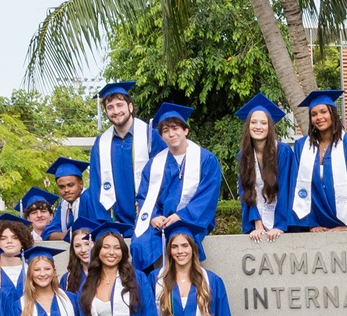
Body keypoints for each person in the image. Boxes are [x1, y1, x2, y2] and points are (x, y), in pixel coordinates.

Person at [132, 102, 222, 270]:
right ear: (161, 136)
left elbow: (207, 195)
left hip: (192, 220)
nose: (171, 134)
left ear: (185, 130)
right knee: (140, 244)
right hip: (160, 221)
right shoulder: (154, 164)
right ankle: (150, 287)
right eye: (165, 131)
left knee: (181, 239)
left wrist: (181, 216)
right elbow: (144, 196)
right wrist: (153, 216)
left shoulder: (206, 160)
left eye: (175, 128)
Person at [284, 89, 347, 236]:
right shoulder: (302, 146)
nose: (319, 117)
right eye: (314, 114)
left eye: (323, 112)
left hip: (345, 221)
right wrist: (310, 224)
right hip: (316, 224)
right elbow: (298, 186)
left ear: (333, 114)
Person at [86, 81, 165, 225]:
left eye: (119, 105)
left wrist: (156, 214)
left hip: (150, 218)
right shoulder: (101, 144)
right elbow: (96, 184)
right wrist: (105, 221)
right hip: (115, 222)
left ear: (130, 106)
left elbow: (164, 178)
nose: (115, 111)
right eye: (110, 107)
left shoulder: (151, 137)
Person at [235, 94, 291, 241]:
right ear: (248, 126)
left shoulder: (283, 152)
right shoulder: (243, 155)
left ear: (270, 127)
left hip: (284, 224)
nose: (258, 127)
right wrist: (257, 224)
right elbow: (246, 190)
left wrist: (279, 225)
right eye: (253, 122)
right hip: (258, 222)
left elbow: (286, 188)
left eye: (263, 123)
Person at [46, 157, 94, 241]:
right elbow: (48, 232)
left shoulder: (90, 200)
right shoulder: (63, 204)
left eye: (71, 185)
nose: (66, 190)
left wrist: (67, 235)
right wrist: (67, 235)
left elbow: (94, 230)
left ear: (81, 184)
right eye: (61, 187)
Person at [0, 219, 37, 298]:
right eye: (3, 238)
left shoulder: (33, 270)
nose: (9, 241)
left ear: (22, 242)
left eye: (15, 238)